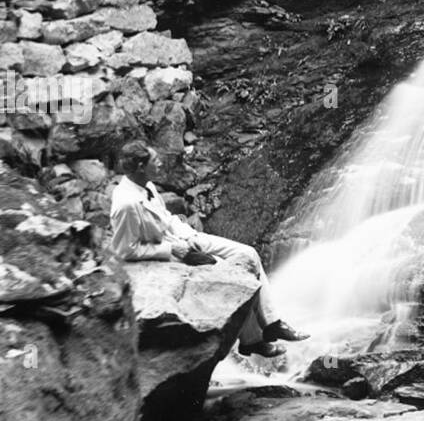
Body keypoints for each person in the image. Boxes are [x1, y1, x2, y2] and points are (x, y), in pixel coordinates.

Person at [109, 141, 308, 358]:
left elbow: (167, 218)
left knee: (248, 253)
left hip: (184, 238)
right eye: (154, 161)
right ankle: (252, 340)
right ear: (140, 166)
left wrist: (188, 236)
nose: (160, 164)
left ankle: (272, 323)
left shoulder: (148, 185)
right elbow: (125, 251)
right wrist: (171, 249)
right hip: (166, 253)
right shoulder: (126, 204)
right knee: (236, 274)